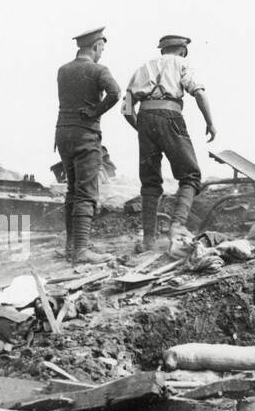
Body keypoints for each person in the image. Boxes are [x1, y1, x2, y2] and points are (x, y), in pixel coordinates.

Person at [122, 33, 217, 249]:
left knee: (149, 180)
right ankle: (177, 227)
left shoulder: (143, 67)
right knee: (191, 175)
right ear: (182, 50)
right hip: (171, 117)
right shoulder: (182, 63)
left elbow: (126, 108)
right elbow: (199, 94)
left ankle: (148, 240)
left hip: (145, 118)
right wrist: (210, 123)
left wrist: (142, 128)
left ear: (162, 50)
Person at [55, 26, 121, 264]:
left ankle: (71, 247)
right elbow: (115, 93)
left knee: (72, 191)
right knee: (86, 192)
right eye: (102, 48)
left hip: (62, 133)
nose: (102, 52)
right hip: (85, 134)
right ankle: (82, 251)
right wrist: (95, 111)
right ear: (95, 46)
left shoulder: (63, 70)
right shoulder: (99, 69)